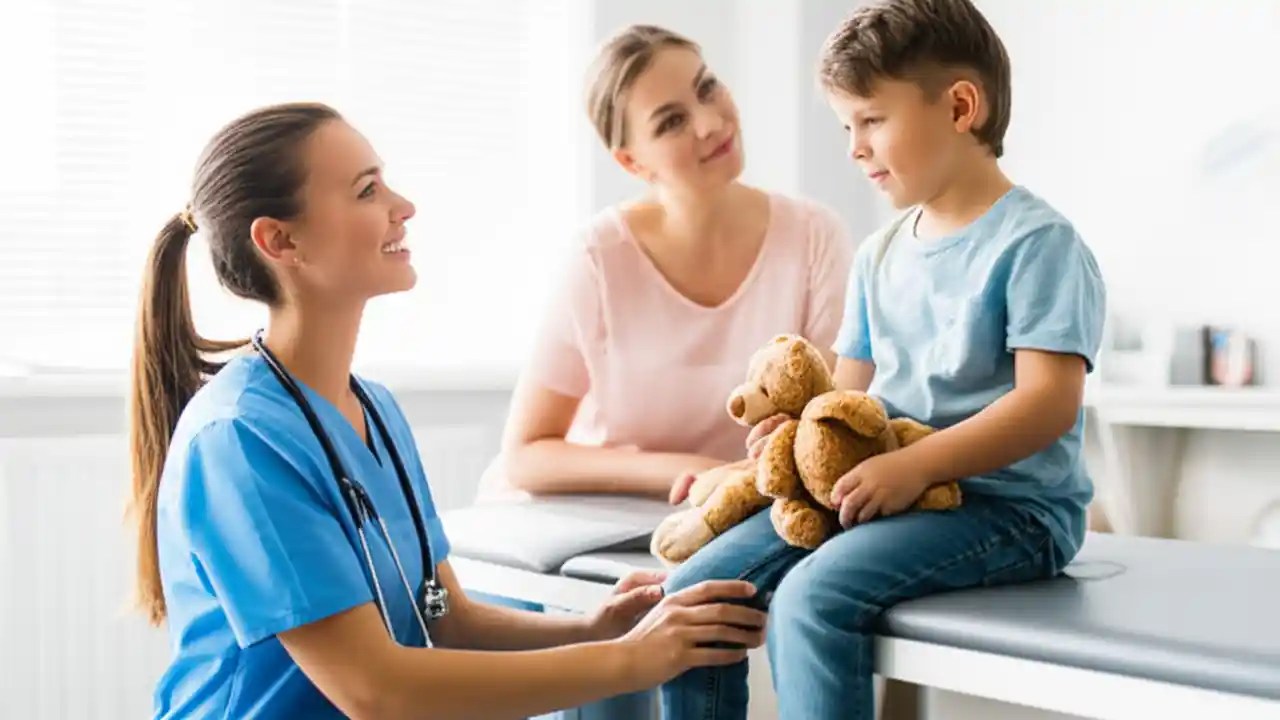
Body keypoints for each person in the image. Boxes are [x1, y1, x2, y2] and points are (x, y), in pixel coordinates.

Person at [128, 101, 767, 720]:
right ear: (280, 241)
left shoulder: (372, 409)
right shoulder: (238, 439)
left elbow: (445, 616)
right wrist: (633, 661)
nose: (403, 207)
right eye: (366, 190)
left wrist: (594, 628)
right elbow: (377, 692)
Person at [659, 1, 1108, 718]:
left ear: (961, 106)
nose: (855, 147)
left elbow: (1047, 404)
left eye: (872, 120)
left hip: (1009, 510)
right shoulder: (880, 255)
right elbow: (847, 398)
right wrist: (801, 437)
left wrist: (915, 466)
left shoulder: (1038, 245)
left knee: (812, 596)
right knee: (691, 594)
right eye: (846, 127)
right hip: (884, 490)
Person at [483, 24, 855, 505]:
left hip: (750, 504)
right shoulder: (597, 258)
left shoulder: (815, 236)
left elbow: (823, 418)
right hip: (600, 514)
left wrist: (732, 483)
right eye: (671, 122)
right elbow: (526, 455)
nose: (709, 123)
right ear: (632, 163)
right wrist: (696, 473)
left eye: (706, 88)